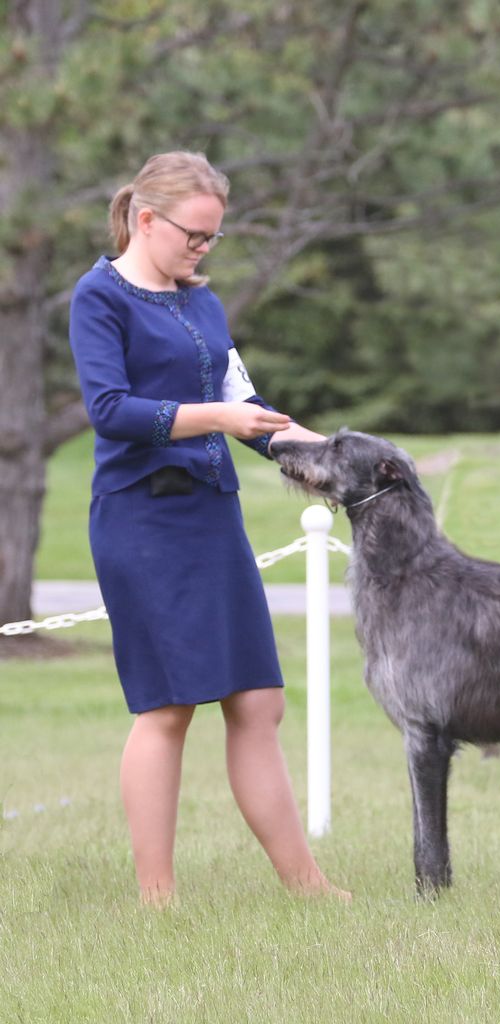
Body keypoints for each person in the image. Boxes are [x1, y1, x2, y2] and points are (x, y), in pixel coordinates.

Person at [69, 150, 348, 906]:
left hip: (209, 517)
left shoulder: (203, 305)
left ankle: (309, 887)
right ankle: (157, 899)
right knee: (166, 707)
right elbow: (111, 411)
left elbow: (246, 408)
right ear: (146, 218)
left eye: (213, 238)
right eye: (194, 234)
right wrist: (218, 420)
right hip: (140, 519)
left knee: (259, 701)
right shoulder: (98, 298)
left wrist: (338, 459)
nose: (202, 249)